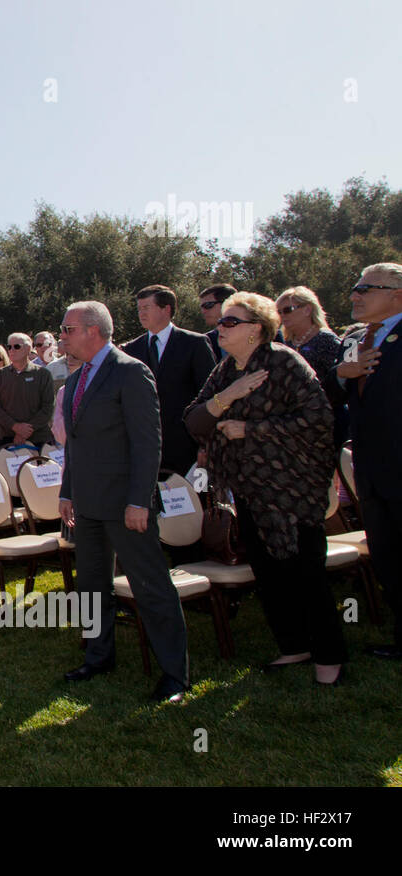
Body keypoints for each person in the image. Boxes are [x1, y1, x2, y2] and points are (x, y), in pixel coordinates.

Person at [185, 293, 344, 685]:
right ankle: (293, 645)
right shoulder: (225, 371)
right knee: (269, 572)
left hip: (292, 492)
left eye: (230, 322)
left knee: (305, 572)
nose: (219, 328)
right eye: (220, 322)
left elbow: (319, 418)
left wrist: (251, 430)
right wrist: (229, 397)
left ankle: (330, 656)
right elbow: (194, 420)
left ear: (256, 328)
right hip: (248, 492)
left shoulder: (284, 362)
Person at [57, 303, 190, 702]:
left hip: (126, 505)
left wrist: (140, 502)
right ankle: (99, 657)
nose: (62, 335)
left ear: (93, 331)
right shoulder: (78, 378)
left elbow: (148, 444)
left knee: (150, 586)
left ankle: (175, 675)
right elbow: (75, 445)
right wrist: (67, 491)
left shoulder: (130, 372)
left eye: (68, 328)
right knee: (93, 587)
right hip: (88, 505)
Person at [335, 263, 402, 661]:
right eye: (355, 288)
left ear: (397, 293)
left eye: (367, 288)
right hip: (373, 476)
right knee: (389, 558)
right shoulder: (357, 338)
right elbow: (333, 387)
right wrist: (342, 373)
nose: (356, 296)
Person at [122, 284, 217, 476]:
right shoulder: (131, 350)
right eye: (139, 308)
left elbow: (209, 396)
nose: (141, 313)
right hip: (145, 451)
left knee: (197, 501)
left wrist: (206, 445)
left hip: (188, 449)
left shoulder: (194, 343)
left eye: (146, 307)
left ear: (166, 309)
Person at [0, 333, 54, 447]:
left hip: (39, 439)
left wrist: (26, 430)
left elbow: (48, 407)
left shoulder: (43, 374)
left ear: (28, 348)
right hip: (7, 438)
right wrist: (15, 427)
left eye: (16, 346)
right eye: (9, 347)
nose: (11, 350)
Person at [200, 283, 238, 362]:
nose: (203, 311)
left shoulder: (255, 334)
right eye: (201, 307)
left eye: (208, 305)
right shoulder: (205, 341)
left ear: (226, 303)